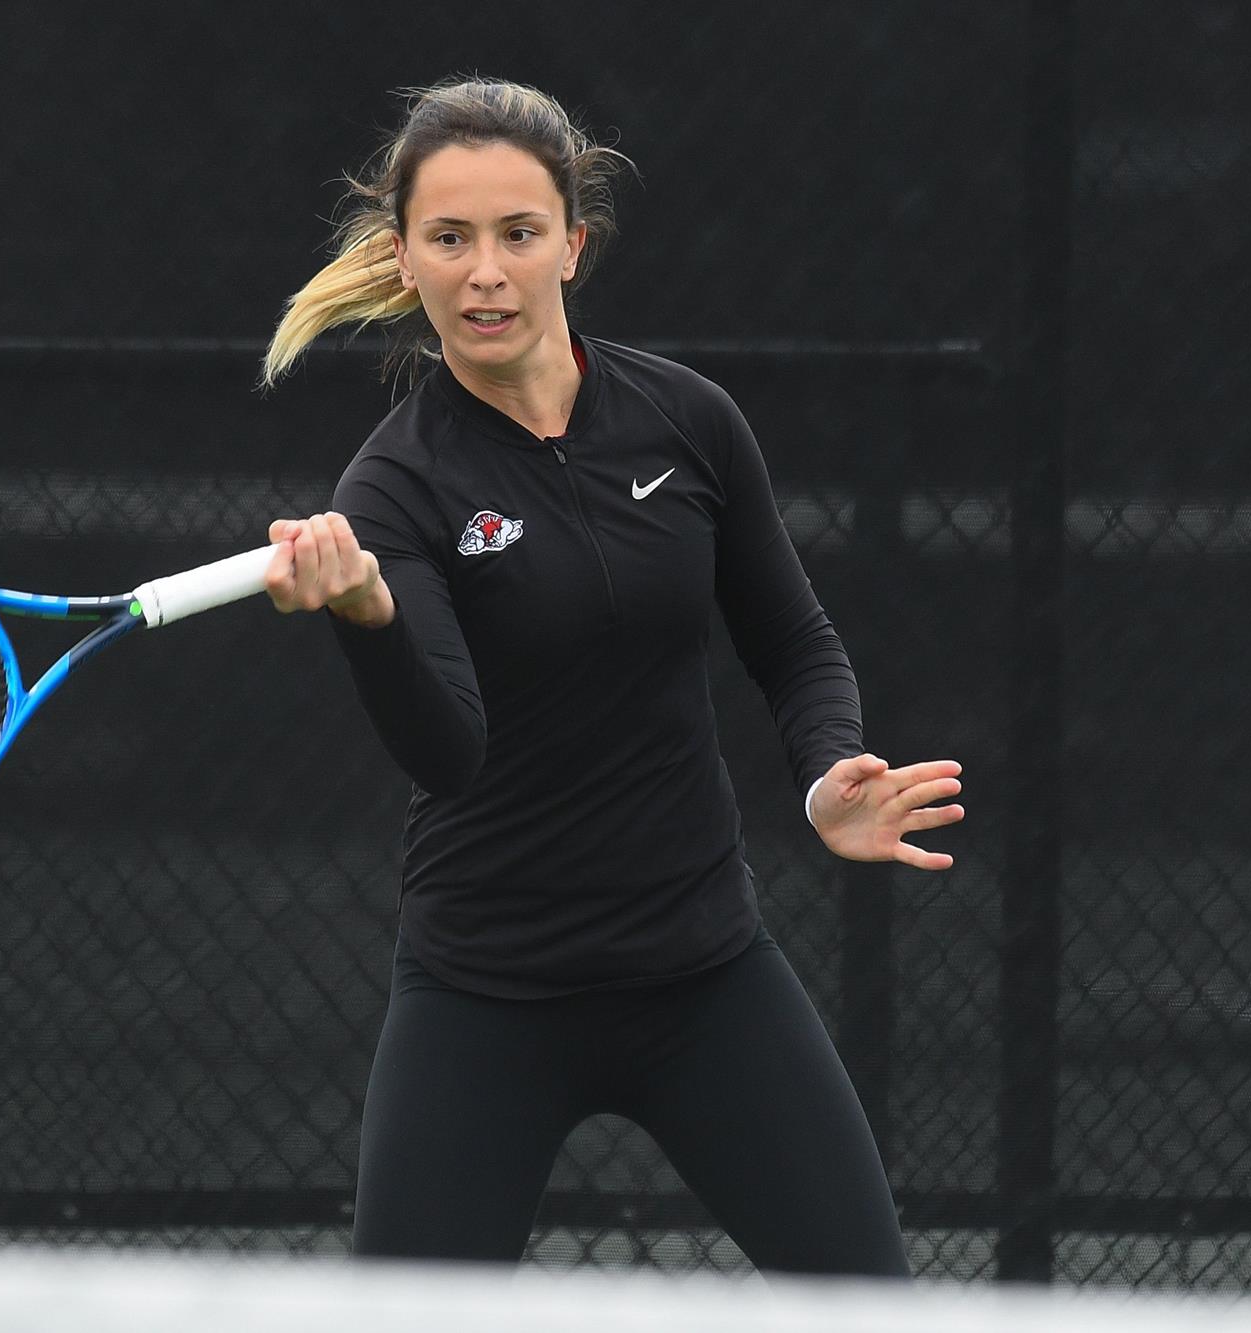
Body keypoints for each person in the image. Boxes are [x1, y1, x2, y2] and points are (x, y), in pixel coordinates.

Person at [258, 78, 964, 1275]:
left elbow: (791, 641)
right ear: (405, 259)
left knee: (872, 1304)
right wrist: (368, 614)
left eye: (518, 235)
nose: (486, 272)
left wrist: (823, 767)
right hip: (483, 995)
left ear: (571, 248)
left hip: (703, 977)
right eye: (450, 239)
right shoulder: (392, 488)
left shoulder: (687, 420)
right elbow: (447, 750)